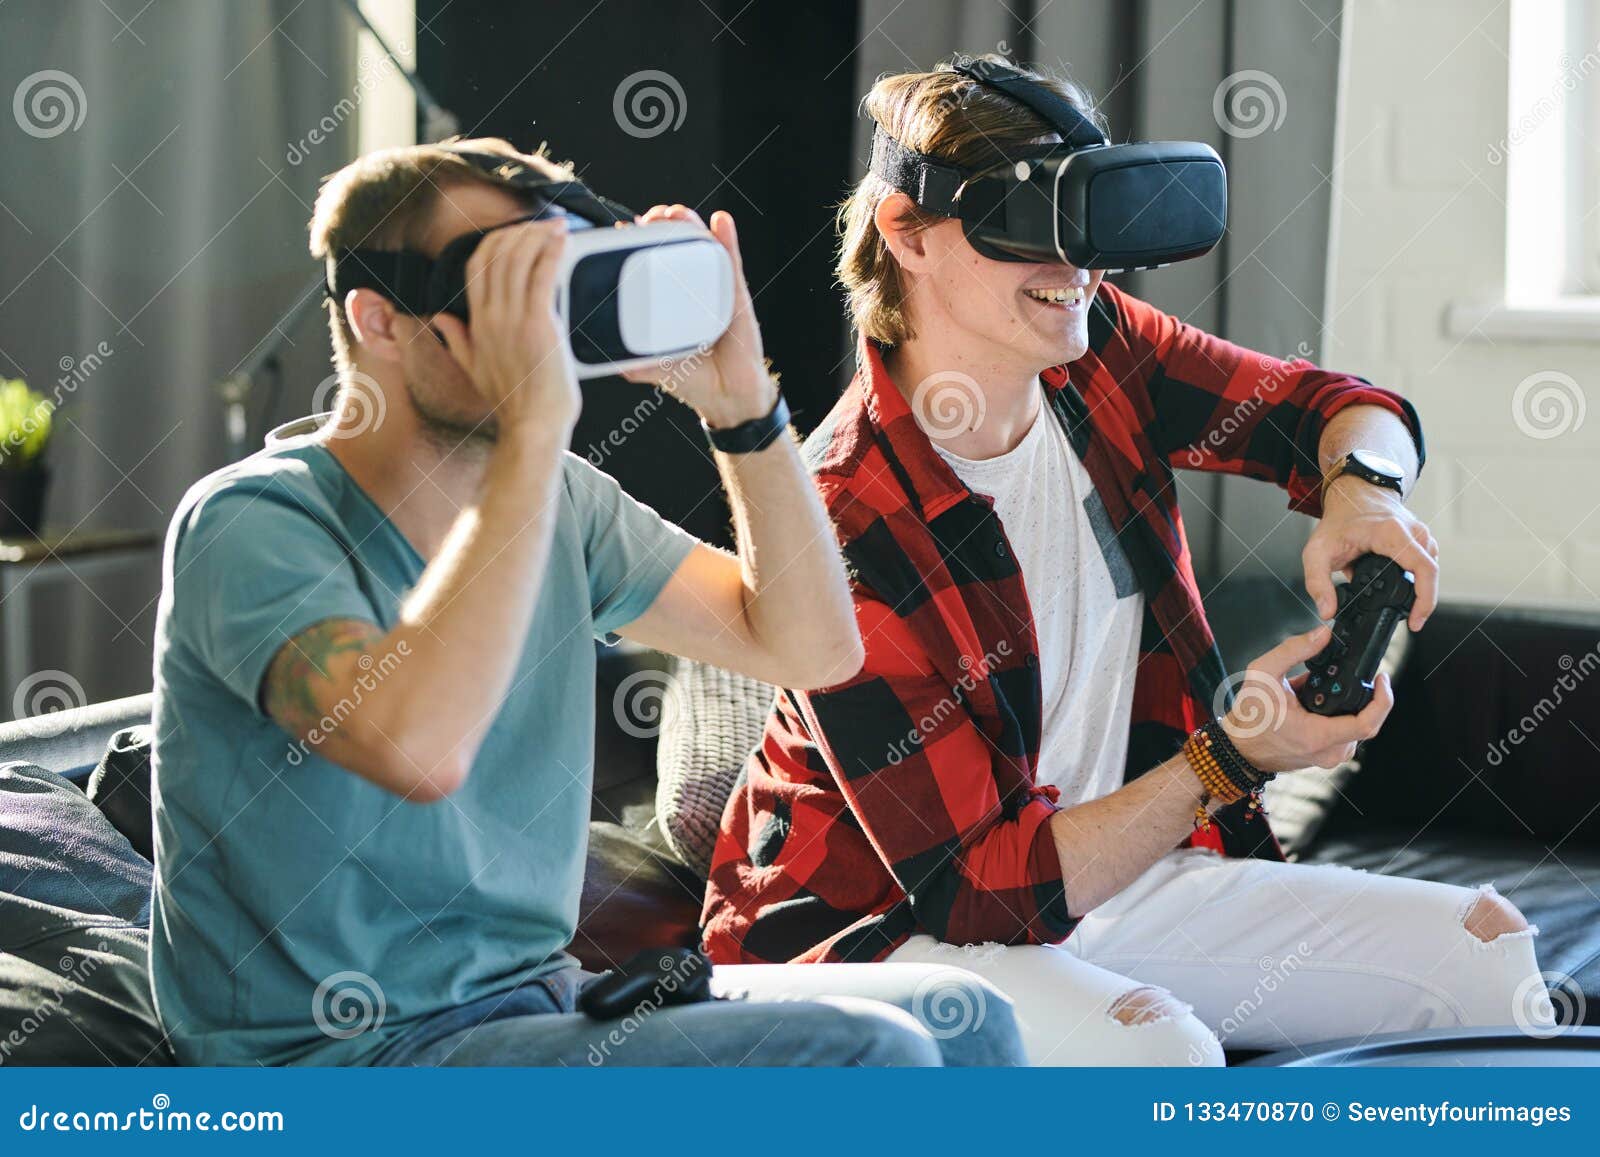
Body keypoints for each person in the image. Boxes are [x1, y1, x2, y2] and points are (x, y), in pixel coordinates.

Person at [700, 58, 1552, 1065]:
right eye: (1027, 223)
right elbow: (984, 888)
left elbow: (1328, 405)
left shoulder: (1101, 355)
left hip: (1109, 875)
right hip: (880, 938)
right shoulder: (845, 519)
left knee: (1486, 953)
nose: (1076, 266)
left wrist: (1360, 491)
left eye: (1088, 220)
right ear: (905, 231)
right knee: (1162, 1056)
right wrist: (1230, 757)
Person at [147, 137, 1023, 1068]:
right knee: (871, 1054)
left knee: (963, 1018)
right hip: (338, 1061)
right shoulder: (252, 522)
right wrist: (530, 431)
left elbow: (815, 650)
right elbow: (418, 747)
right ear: (381, 319)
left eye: (549, 278)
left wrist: (740, 409)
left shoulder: (560, 498)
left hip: (539, 1006)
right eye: (506, 286)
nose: (539, 324)